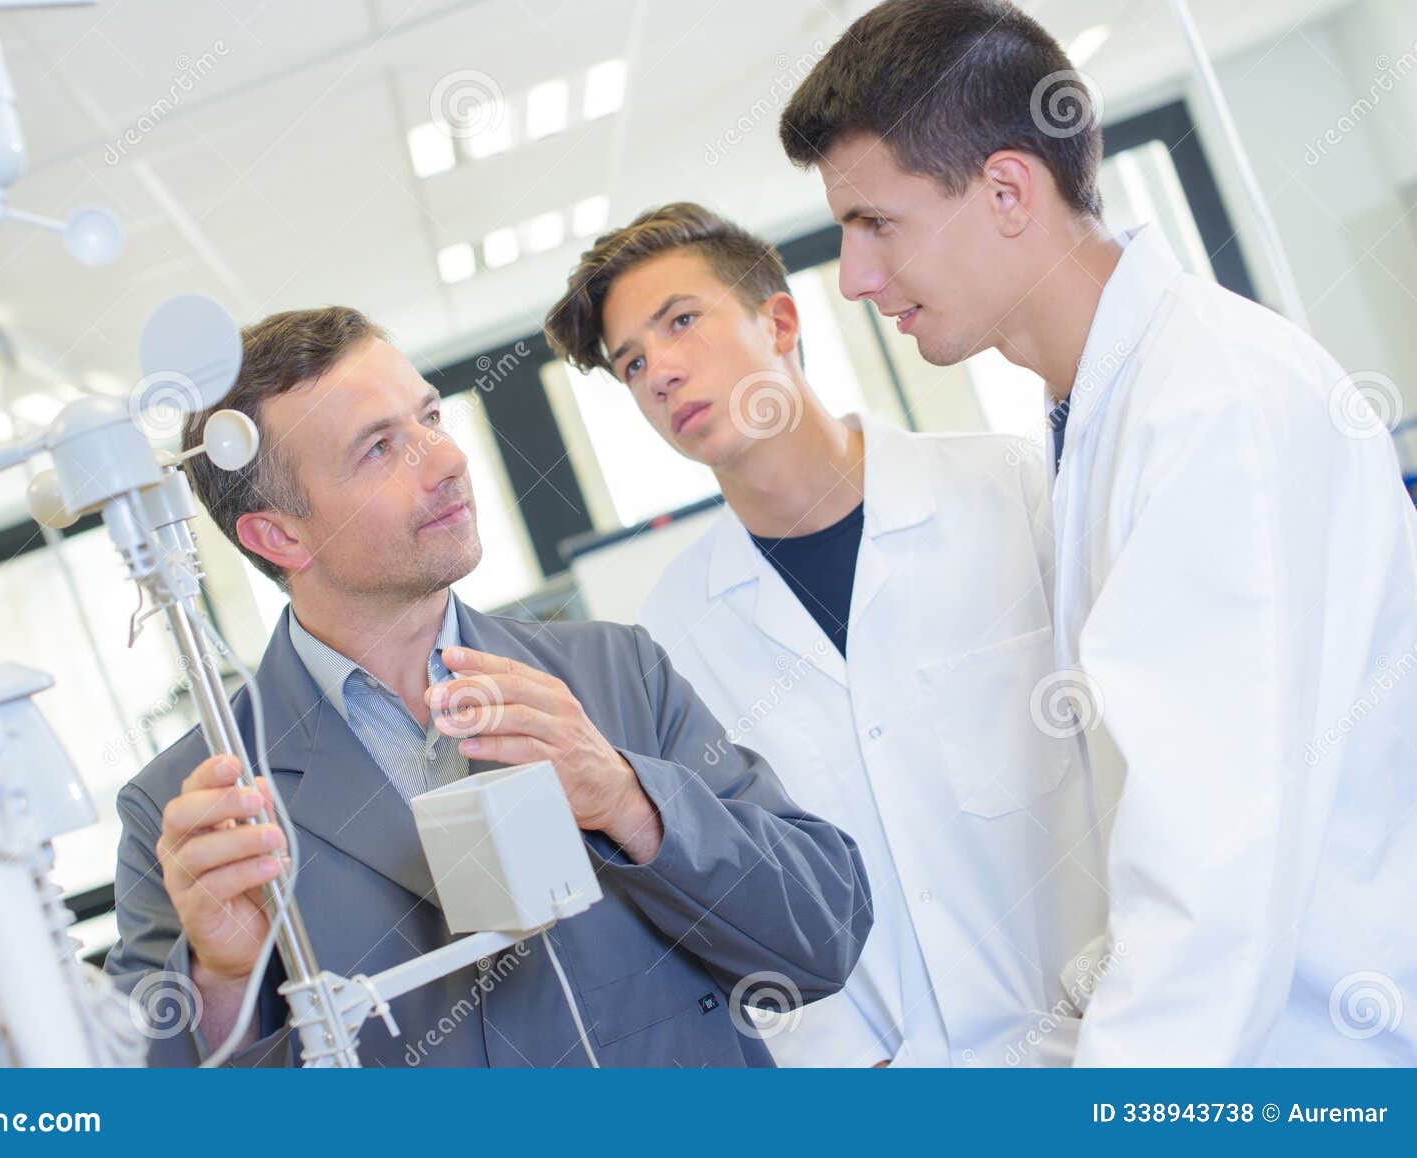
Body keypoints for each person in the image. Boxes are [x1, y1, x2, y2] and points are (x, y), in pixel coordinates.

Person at [780, 0, 1417, 1064]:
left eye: (875, 223)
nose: (852, 277)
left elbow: (1211, 867)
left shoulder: (1207, 403)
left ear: (1007, 190)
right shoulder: (1107, 405)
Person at [103, 306, 873, 1067]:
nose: (445, 461)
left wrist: (630, 803)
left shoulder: (615, 673)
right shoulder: (192, 812)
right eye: (379, 449)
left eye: (430, 417)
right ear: (280, 536)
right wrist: (223, 985)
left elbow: (823, 935)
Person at [545, 202, 1109, 1067]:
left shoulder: (1010, 492)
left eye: (681, 322)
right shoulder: (669, 635)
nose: (658, 370)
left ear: (778, 321)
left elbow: (1136, 761)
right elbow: (725, 889)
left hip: (1122, 1052)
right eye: (631, 363)